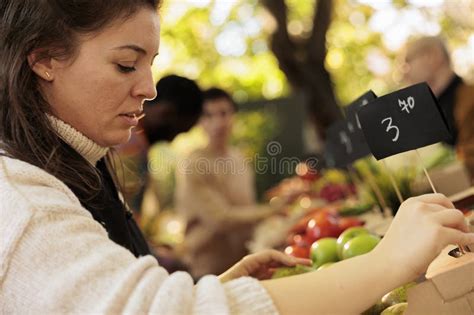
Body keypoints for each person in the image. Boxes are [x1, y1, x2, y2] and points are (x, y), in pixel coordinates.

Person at [0, 1, 473, 314]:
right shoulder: (22, 200)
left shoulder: (79, 165)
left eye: (150, 64)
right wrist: (386, 262)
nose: (147, 88)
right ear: (44, 60)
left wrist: (219, 292)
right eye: (126, 64)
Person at [175, 88, 278, 278]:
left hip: (245, 264)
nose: (218, 122)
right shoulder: (194, 164)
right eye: (208, 115)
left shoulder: (239, 157)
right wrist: (273, 210)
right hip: (209, 273)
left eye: (224, 113)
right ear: (199, 121)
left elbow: (246, 208)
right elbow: (220, 219)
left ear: (233, 116)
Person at [116, 74, 203, 215]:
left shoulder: (118, 130)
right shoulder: (133, 147)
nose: (171, 141)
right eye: (178, 131)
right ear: (165, 113)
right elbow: (125, 221)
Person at [402, 36, 474, 180]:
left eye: (408, 62)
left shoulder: (470, 99)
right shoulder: (437, 108)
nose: (404, 73)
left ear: (432, 56)